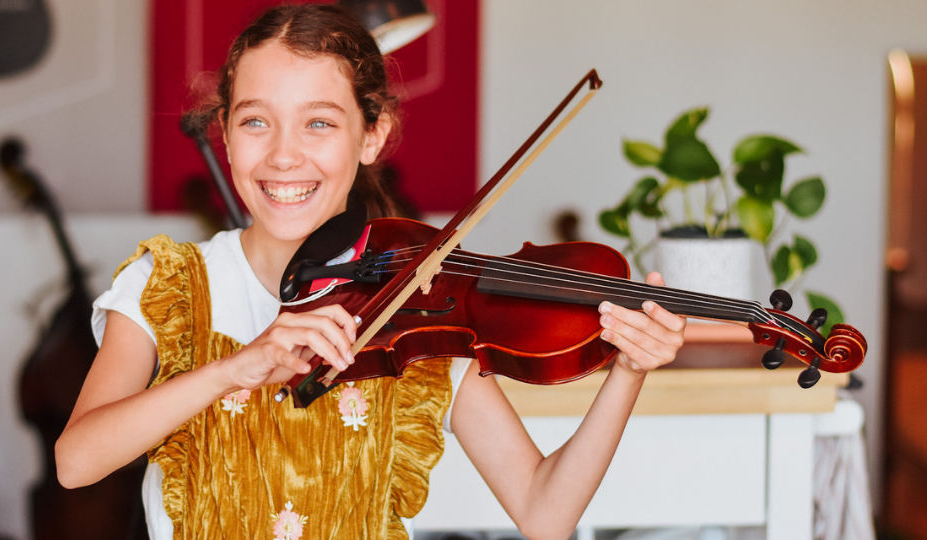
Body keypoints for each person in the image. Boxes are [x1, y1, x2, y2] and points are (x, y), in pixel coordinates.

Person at [55, 5, 686, 540]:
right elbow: (75, 462)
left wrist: (628, 371)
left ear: (372, 136)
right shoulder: (169, 283)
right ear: (224, 131)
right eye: (255, 121)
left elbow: (545, 513)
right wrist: (233, 369)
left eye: (319, 123)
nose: (283, 155)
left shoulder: (419, 306)